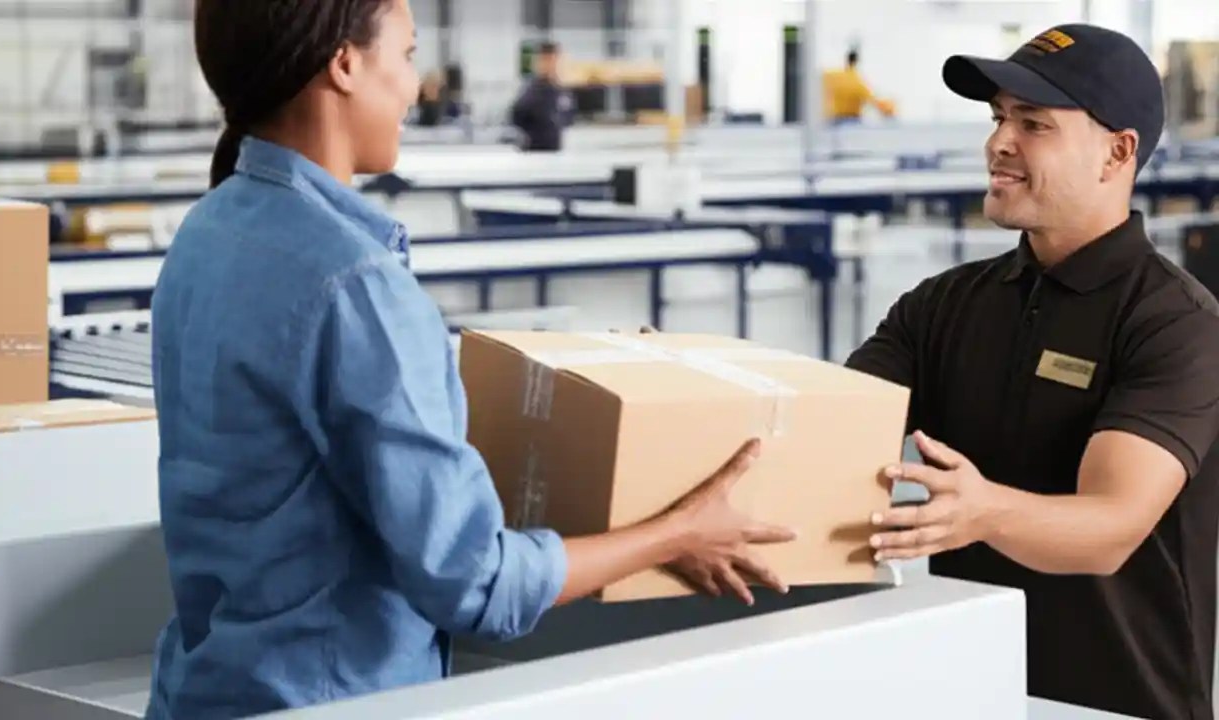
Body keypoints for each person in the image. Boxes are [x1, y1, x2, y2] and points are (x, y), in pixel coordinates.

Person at [145, 1, 795, 718]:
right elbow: (473, 582)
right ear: (345, 62)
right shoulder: (354, 284)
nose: (416, 87)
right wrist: (678, 531)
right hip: (327, 700)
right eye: (408, 54)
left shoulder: (204, 236)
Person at [849, 23, 1219, 720]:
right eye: (998, 118)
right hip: (975, 689)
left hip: (1123, 703)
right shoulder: (942, 305)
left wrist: (982, 510)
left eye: (1034, 123)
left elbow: (1110, 528)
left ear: (1118, 151)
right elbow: (831, 425)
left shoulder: (1176, 324)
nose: (998, 142)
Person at [510, 40, 573, 152]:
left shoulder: (562, 92)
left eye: (553, 60)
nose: (550, 65)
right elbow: (516, 117)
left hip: (555, 151)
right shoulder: (531, 91)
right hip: (533, 152)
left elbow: (568, 118)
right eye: (545, 61)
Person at [822, 49, 895, 125]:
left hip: (833, 121)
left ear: (846, 60)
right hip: (851, 121)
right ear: (856, 61)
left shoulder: (834, 75)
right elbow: (873, 101)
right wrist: (889, 110)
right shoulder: (856, 81)